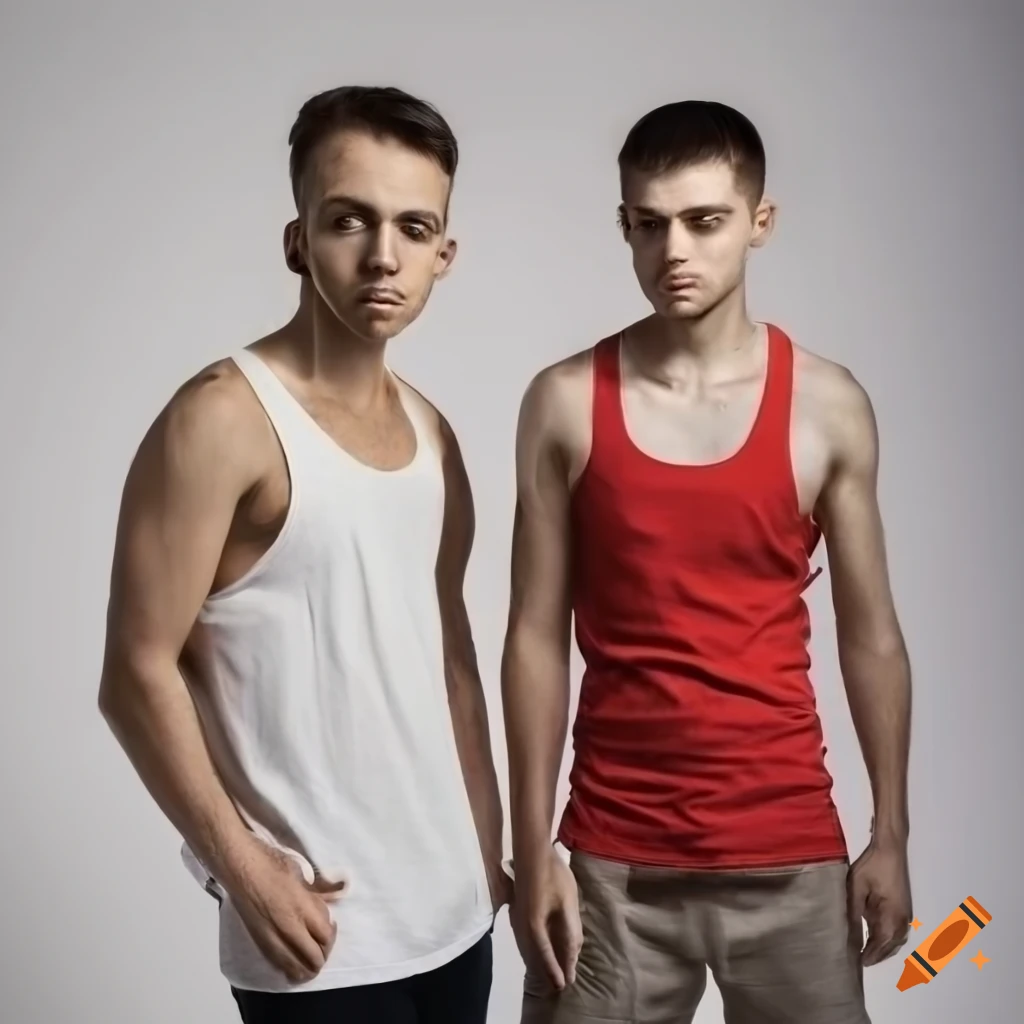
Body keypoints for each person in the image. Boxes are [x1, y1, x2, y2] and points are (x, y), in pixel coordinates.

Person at [98, 85, 509, 1024]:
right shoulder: (220, 419)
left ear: (445, 256)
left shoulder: (436, 435)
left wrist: (487, 848)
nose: (382, 256)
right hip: (318, 931)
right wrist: (240, 867)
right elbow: (133, 672)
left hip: (455, 915)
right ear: (297, 240)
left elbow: (450, 661)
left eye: (414, 228)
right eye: (348, 221)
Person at [501, 100, 913, 1024]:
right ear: (625, 226)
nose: (673, 250)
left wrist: (890, 834)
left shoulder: (828, 407)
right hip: (615, 866)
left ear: (759, 223)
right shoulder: (564, 403)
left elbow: (873, 637)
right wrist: (534, 850)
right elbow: (534, 637)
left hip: (789, 853)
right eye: (648, 225)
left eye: (704, 220)